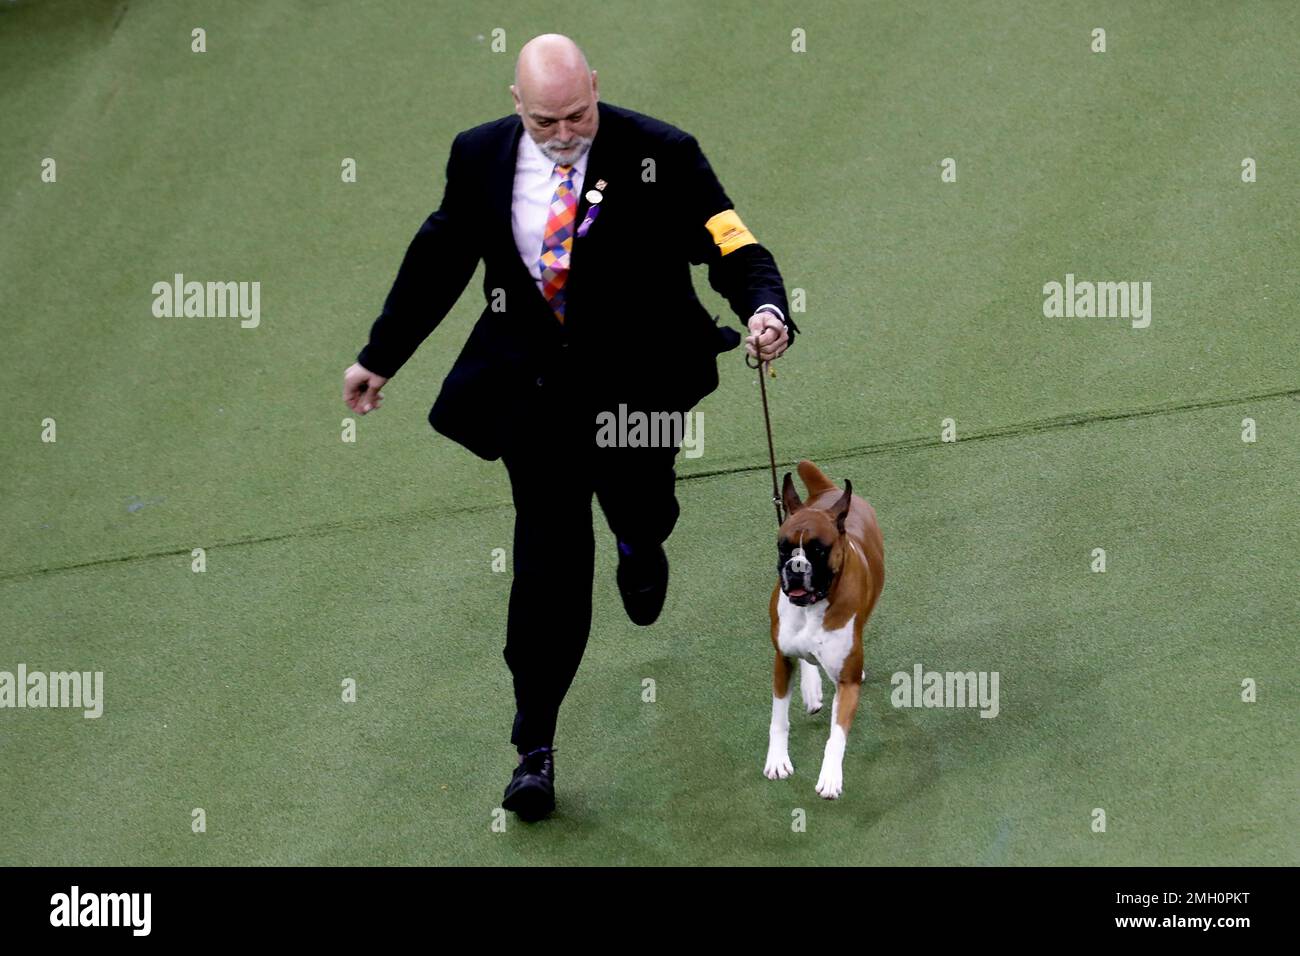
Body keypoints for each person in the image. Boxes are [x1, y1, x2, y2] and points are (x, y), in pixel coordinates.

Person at [342, 33, 797, 821]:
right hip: (536, 398)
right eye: (545, 121)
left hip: (638, 391)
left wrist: (764, 307)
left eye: (577, 114)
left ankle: (641, 540)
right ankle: (535, 747)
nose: (563, 135)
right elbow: (440, 254)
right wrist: (380, 356)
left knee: (643, 503)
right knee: (548, 565)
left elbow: (730, 240)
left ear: (595, 86)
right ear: (517, 105)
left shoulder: (659, 153)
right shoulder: (480, 156)